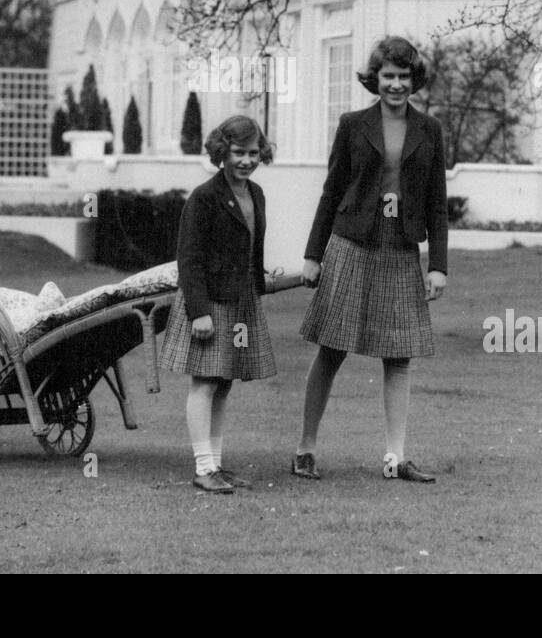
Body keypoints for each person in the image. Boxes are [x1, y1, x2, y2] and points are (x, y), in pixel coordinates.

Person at [293, 36, 448, 483]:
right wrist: (313, 255)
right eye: (388, 76)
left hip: (401, 246)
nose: (396, 85)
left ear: (414, 80)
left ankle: (395, 458)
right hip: (352, 242)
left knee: (399, 355)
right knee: (332, 347)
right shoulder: (352, 125)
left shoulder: (430, 130)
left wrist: (438, 264)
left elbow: (437, 202)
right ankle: (305, 450)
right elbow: (331, 191)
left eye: (404, 77)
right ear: (375, 79)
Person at [160, 115, 277, 493]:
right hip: (210, 302)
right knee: (205, 383)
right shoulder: (204, 197)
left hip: (241, 300)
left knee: (224, 382)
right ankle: (202, 468)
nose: (247, 160)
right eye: (239, 152)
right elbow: (189, 259)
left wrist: (259, 283)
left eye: (254, 153)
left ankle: (216, 465)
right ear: (222, 152)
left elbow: (250, 247)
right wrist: (199, 313)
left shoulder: (256, 193)